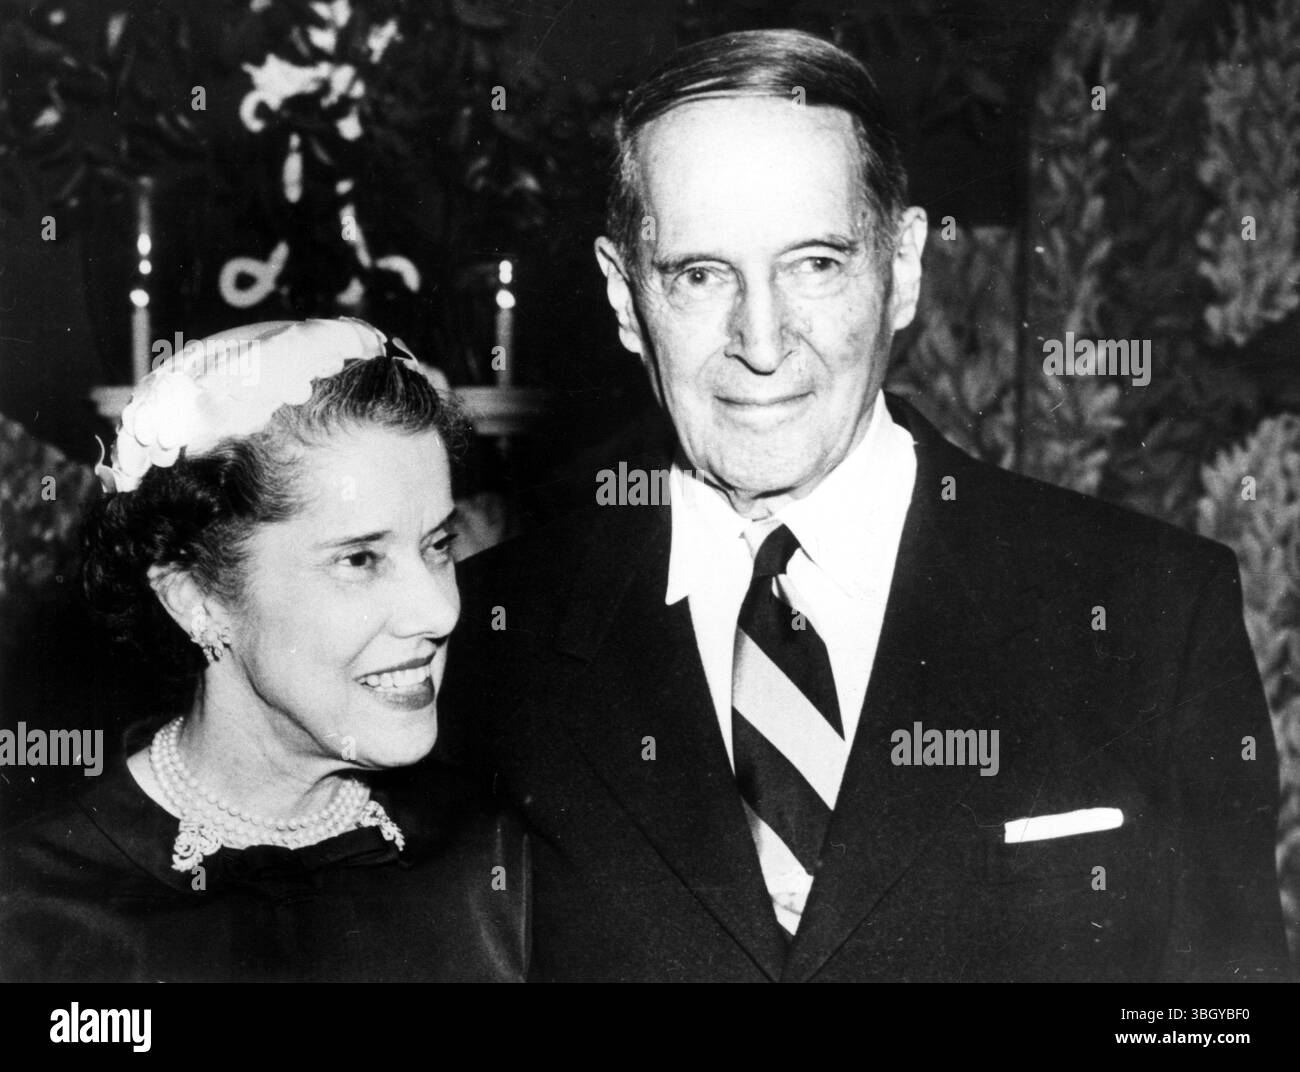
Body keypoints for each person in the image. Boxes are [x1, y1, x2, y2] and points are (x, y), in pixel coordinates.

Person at [437, 29, 1290, 981]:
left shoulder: (1149, 613)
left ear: (904, 266)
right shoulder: (486, 646)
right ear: (626, 300)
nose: (761, 343)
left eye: (815, 264)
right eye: (699, 275)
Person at [0, 318, 529, 983]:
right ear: (196, 598)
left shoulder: (498, 862)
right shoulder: (31, 913)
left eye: (438, 545)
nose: (440, 611)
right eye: (361, 558)